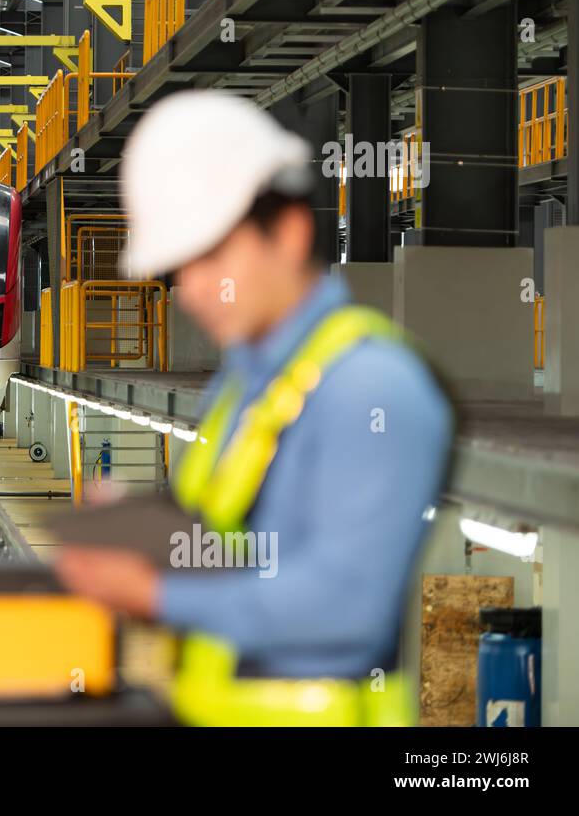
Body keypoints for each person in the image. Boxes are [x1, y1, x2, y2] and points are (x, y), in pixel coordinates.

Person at [55, 91, 454, 726]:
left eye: (213, 257)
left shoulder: (372, 386)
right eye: (181, 266)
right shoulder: (245, 381)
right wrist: (145, 533)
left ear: (289, 234)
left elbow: (348, 607)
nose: (192, 290)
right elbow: (235, 544)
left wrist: (155, 591)